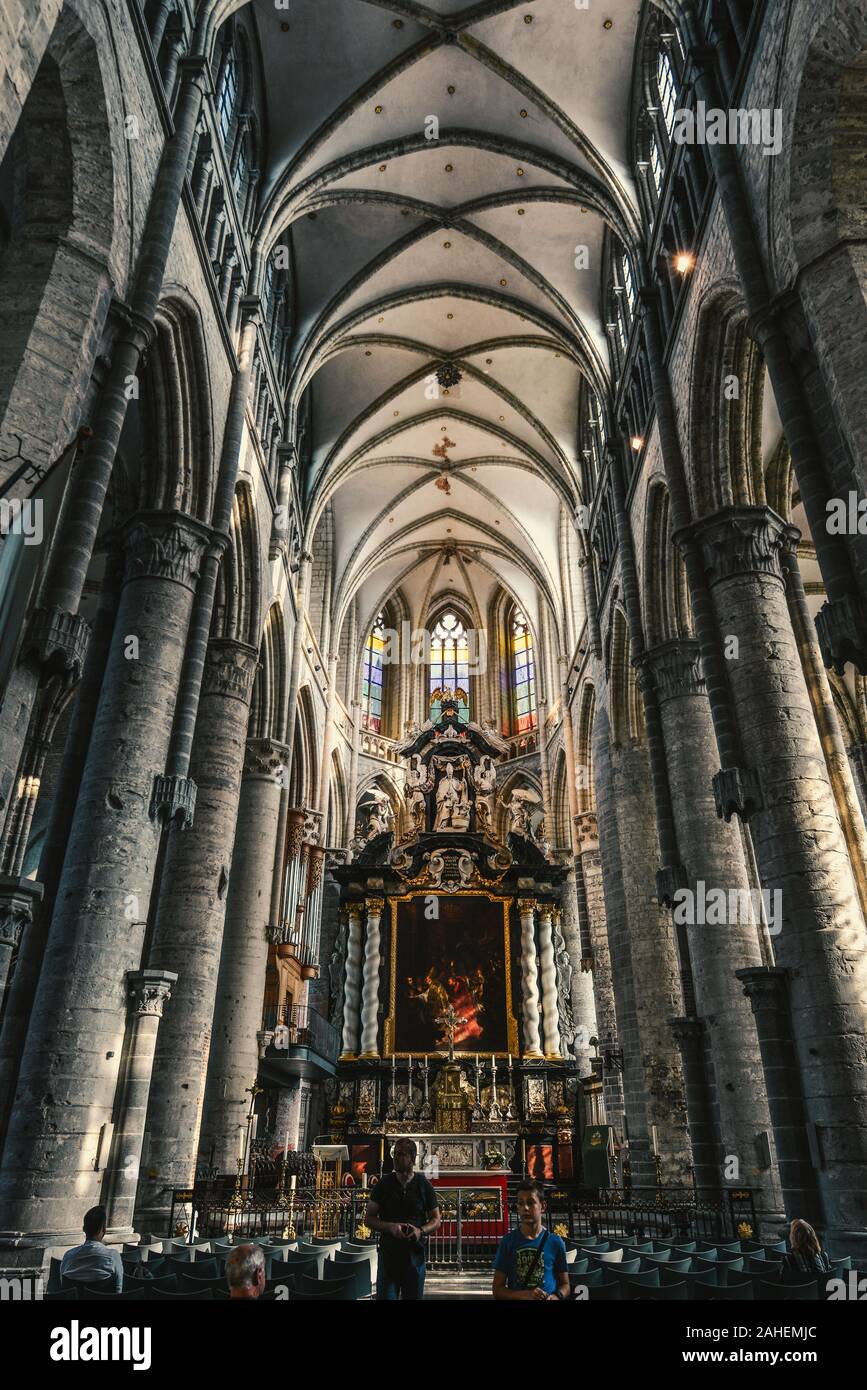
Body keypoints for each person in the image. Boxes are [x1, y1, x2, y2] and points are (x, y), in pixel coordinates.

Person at [365, 1137, 441, 1300]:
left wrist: (420, 1231)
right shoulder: (384, 1184)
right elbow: (368, 1219)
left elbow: (436, 1219)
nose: (395, 1158)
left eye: (400, 1154)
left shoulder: (424, 1185)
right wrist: (390, 1227)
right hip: (389, 1256)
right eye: (394, 1154)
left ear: (412, 1159)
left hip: (414, 1256)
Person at [492, 1180, 570, 1301]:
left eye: (531, 1202)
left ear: (543, 1206)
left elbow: (565, 1285)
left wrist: (556, 1296)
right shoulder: (508, 1242)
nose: (525, 1208)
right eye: (521, 1203)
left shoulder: (555, 1242)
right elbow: (497, 1290)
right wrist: (524, 1295)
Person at [59, 1205, 124, 1292]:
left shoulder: (68, 1255)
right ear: (104, 1230)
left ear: (84, 1229)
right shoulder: (113, 1256)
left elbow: (63, 1286)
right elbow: (118, 1289)